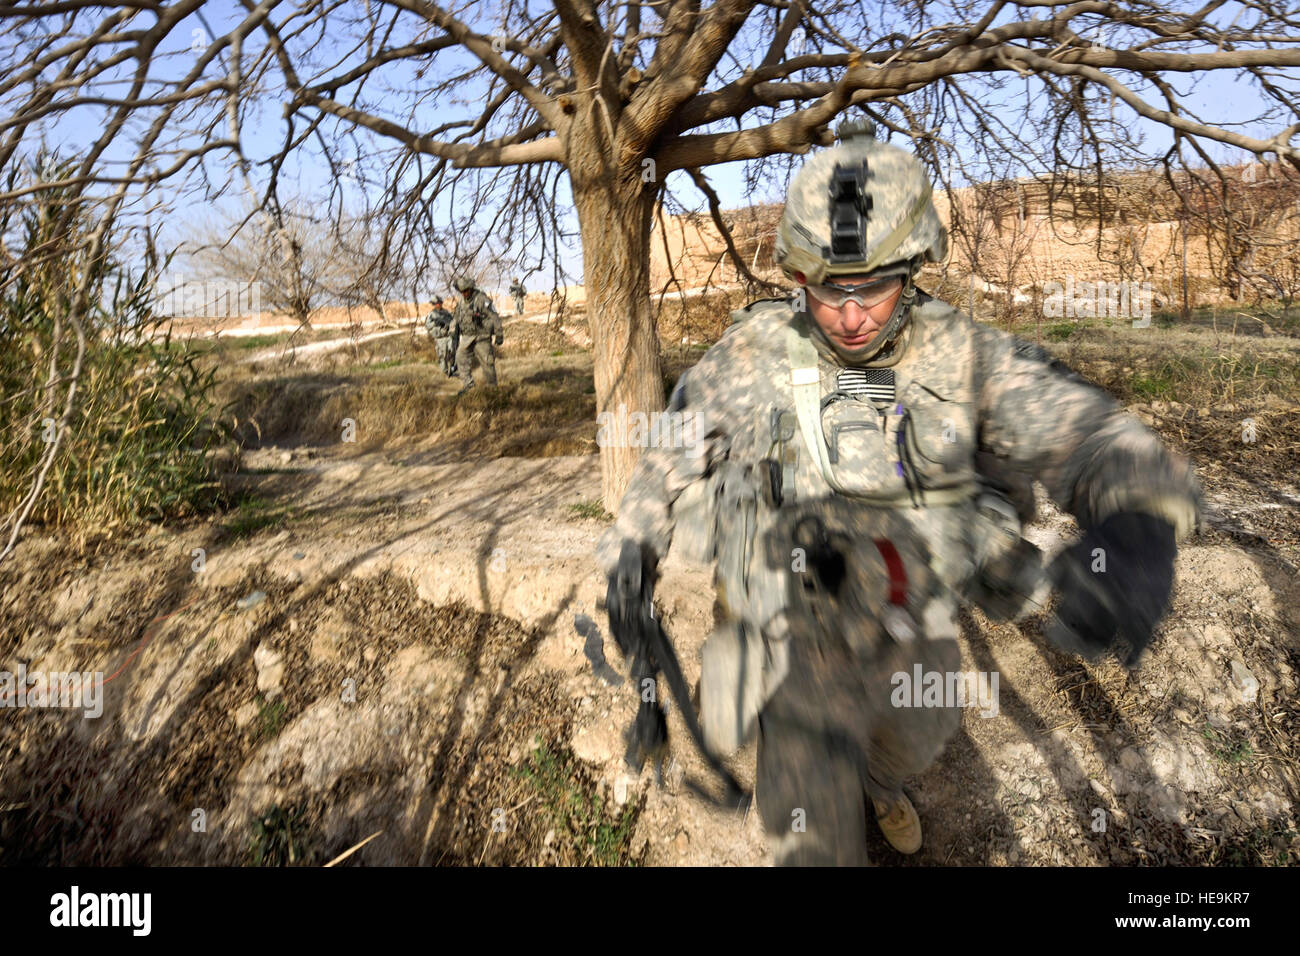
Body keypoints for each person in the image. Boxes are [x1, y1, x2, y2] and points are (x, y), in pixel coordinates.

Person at [597, 118, 1201, 866]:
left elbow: (1087, 430)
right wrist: (632, 549)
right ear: (796, 277)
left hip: (908, 621)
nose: (851, 316)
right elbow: (669, 454)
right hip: (789, 636)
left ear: (914, 270)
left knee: (917, 732)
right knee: (803, 825)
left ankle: (879, 785)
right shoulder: (750, 357)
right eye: (828, 290)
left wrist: (1139, 520)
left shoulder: (962, 354)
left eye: (874, 288)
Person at [452, 276, 503, 392]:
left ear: (470, 288)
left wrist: (499, 334)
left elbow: (494, 316)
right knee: (460, 357)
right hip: (467, 337)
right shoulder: (461, 301)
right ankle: (468, 386)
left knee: (487, 363)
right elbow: (457, 317)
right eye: (462, 291)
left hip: (482, 337)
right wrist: (452, 330)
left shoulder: (481, 299)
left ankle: (492, 389)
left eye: (466, 291)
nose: (464, 293)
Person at [424, 295, 457, 377]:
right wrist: (435, 323)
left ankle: (452, 369)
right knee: (443, 355)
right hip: (440, 338)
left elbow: (453, 321)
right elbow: (427, 325)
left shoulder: (447, 313)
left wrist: (450, 326)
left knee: (453, 352)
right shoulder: (432, 314)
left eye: (439, 303)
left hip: (449, 336)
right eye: (436, 303)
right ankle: (445, 372)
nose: (438, 305)